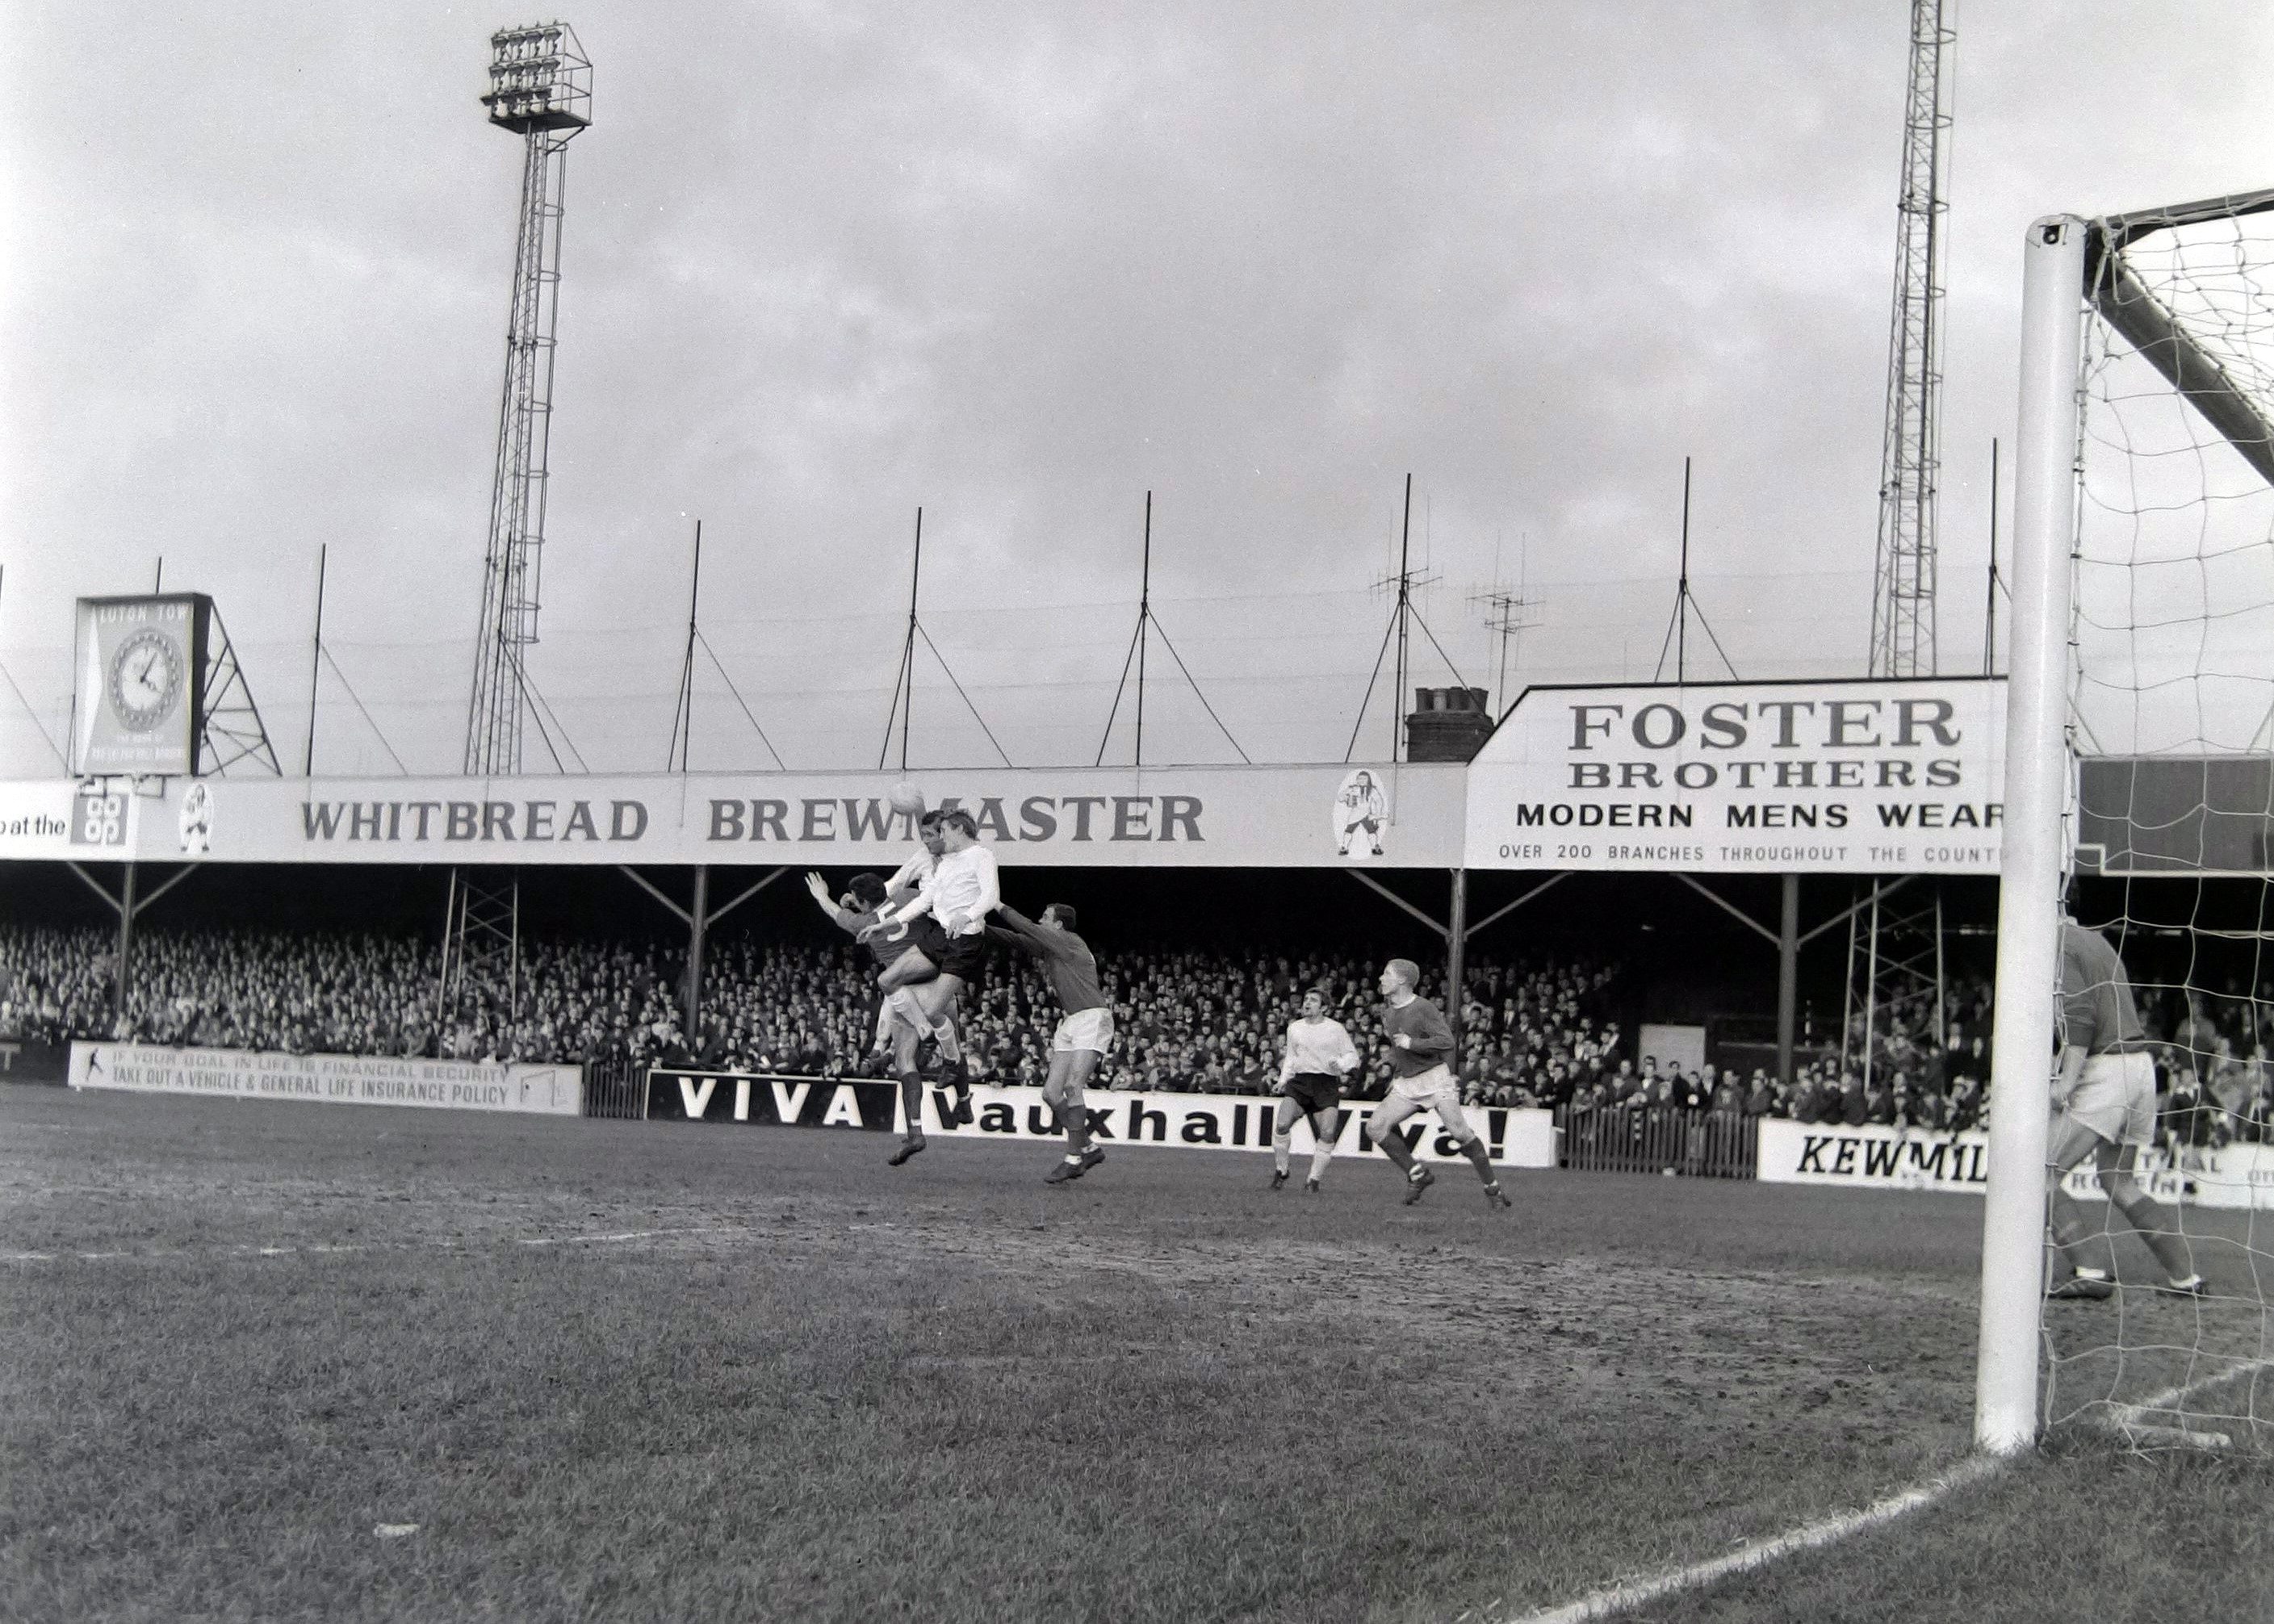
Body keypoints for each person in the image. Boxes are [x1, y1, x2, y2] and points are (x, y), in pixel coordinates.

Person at [2045, 912, 2208, 1300]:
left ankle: (2090, 1270)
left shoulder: (2058, 943)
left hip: (2107, 1068)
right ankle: (2186, 1278)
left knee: (2041, 1175)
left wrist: (2065, 1081)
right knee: (2118, 1179)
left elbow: (2080, 1017)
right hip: (2139, 1066)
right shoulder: (2095, 940)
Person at [862, 807, 998, 1123]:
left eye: (944, 833)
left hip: (964, 941)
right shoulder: (945, 862)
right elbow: (924, 900)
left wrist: (968, 915)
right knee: (887, 981)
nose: (938, 839)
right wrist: (885, 924)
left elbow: (991, 896)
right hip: (939, 936)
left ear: (959, 830)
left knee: (937, 1009)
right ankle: (912, 1041)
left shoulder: (982, 855)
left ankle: (951, 1062)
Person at [805, 871, 939, 1166]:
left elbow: (835, 912)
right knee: (948, 1048)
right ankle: (962, 1098)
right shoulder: (907, 897)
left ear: (864, 903)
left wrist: (821, 896)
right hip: (938, 979)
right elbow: (925, 900)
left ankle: (915, 1131)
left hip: (907, 989)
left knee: (905, 1061)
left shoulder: (863, 923)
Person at [1364, 958, 1512, 1208]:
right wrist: (1396, 1074)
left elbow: (1447, 1042)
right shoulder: (1388, 1010)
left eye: (1386, 974)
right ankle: (1418, 1174)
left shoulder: (1423, 1008)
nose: (1381, 978)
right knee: (1375, 1127)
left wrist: (1412, 1043)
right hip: (1408, 1082)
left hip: (1435, 1079)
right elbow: (1399, 1049)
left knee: (1460, 1132)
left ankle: (1493, 1190)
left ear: (1402, 980)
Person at [986, 900, 1111, 1185]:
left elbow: (1025, 927)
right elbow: (1014, 938)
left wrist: (996, 905)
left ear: (1058, 924)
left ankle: (1073, 1159)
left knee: (1072, 1086)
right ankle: (1089, 1148)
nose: (1040, 919)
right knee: (1051, 1094)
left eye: (1045, 916)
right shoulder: (1053, 947)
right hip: (1072, 1021)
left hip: (1092, 1016)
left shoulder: (1069, 940)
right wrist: (975, 926)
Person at [1272, 986, 1360, 1192]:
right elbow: (1292, 1058)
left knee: (1328, 1133)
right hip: (1301, 1083)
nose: (1307, 1003)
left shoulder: (1336, 1029)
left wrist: (1341, 1064)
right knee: (1282, 1124)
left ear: (1324, 1008)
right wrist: (1284, 1079)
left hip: (1326, 1084)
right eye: (1306, 999)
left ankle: (1313, 1180)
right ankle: (1282, 1170)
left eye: (1313, 1000)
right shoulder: (1295, 1028)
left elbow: (1352, 1057)